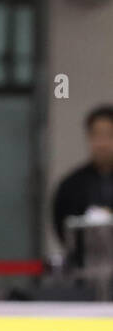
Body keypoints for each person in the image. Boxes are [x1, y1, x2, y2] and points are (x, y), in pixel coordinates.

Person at [52, 104, 113, 263]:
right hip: (84, 267)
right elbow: (61, 226)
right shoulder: (71, 184)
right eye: (96, 135)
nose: (102, 144)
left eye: (108, 135)